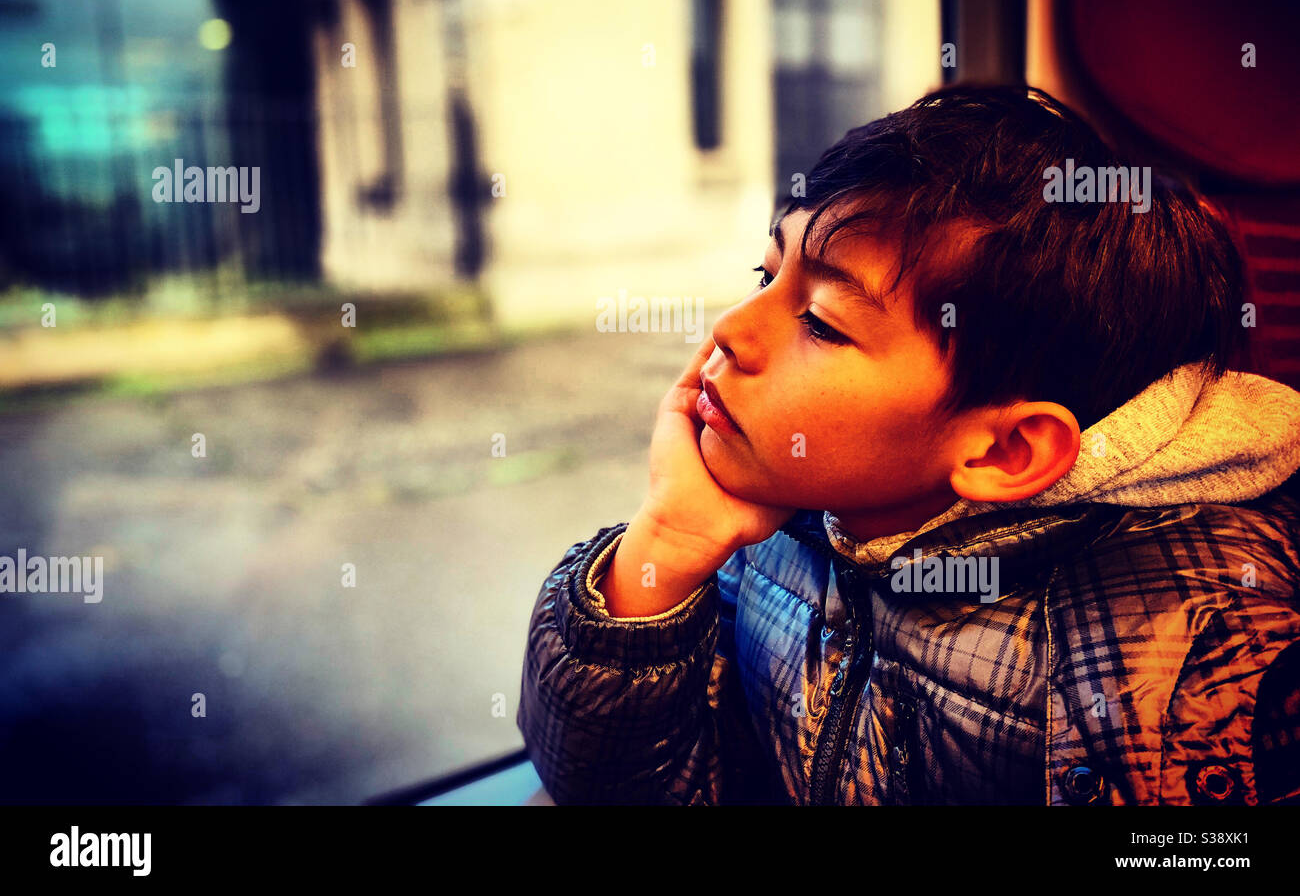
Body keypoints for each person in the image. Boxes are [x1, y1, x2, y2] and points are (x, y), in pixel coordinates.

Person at [516, 84, 1300, 805]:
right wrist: (666, 546)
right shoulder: (778, 517)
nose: (728, 328)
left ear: (1007, 452)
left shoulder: (1193, 660)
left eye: (821, 321)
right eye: (764, 275)